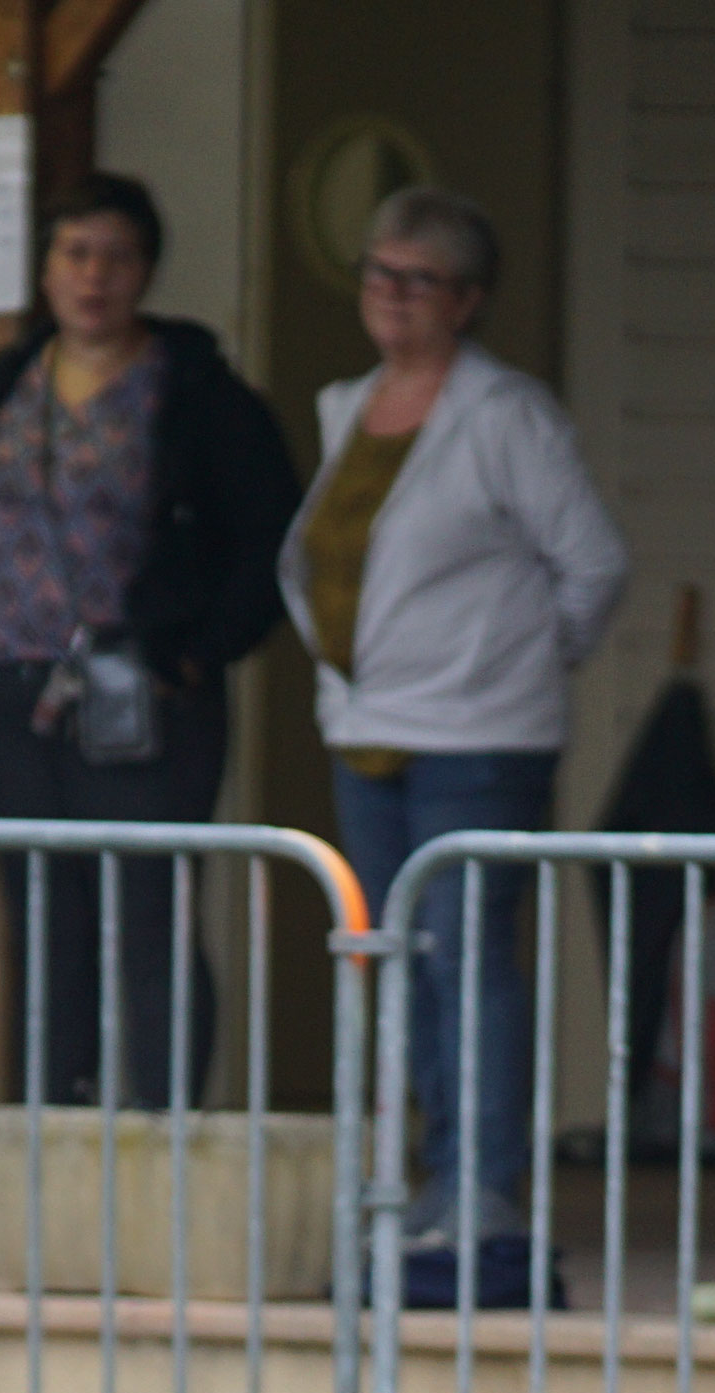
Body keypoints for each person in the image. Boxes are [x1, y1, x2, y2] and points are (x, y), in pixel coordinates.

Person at [281, 186, 628, 1258]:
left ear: (466, 300)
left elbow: (593, 565)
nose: (389, 296)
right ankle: (428, 1178)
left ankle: (485, 1184)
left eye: (416, 280)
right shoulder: (349, 404)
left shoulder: (505, 416)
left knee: (467, 955)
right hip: (368, 721)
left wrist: (515, 659)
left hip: (479, 731)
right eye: (378, 274)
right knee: (399, 951)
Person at [0, 173, 298, 1109]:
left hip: (144, 693)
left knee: (148, 913)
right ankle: (55, 1122)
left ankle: (164, 1127)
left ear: (148, 271)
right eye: (74, 254)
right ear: (46, 269)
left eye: (117, 258)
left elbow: (269, 536)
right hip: (12, 687)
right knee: (46, 915)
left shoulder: (197, 392)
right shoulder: (6, 380)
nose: (94, 277)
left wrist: (197, 652)